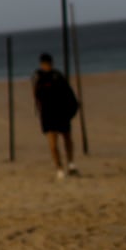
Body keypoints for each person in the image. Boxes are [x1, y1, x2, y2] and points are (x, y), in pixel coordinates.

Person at [32, 52, 79, 180]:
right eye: (45, 64)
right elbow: (36, 97)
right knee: (53, 143)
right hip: (48, 114)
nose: (46, 66)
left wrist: (71, 109)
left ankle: (70, 163)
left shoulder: (57, 76)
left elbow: (68, 94)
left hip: (60, 113)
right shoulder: (39, 78)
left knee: (66, 138)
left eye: (47, 64)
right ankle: (59, 167)